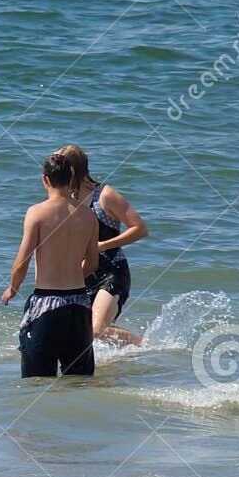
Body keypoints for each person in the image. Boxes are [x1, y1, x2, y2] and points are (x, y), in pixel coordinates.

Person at [1, 153, 103, 378]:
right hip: (79, 305)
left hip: (46, 306)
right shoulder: (88, 216)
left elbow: (21, 262)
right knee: (79, 380)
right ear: (72, 177)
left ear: (45, 179)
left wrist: (13, 289)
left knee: (37, 381)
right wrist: (73, 276)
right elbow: (93, 263)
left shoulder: (37, 213)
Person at [56, 145, 147, 345]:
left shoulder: (105, 196)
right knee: (75, 331)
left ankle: (144, 347)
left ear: (71, 172)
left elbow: (140, 229)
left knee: (96, 331)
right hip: (83, 274)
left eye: (59, 171)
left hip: (112, 271)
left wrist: (102, 245)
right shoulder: (65, 199)